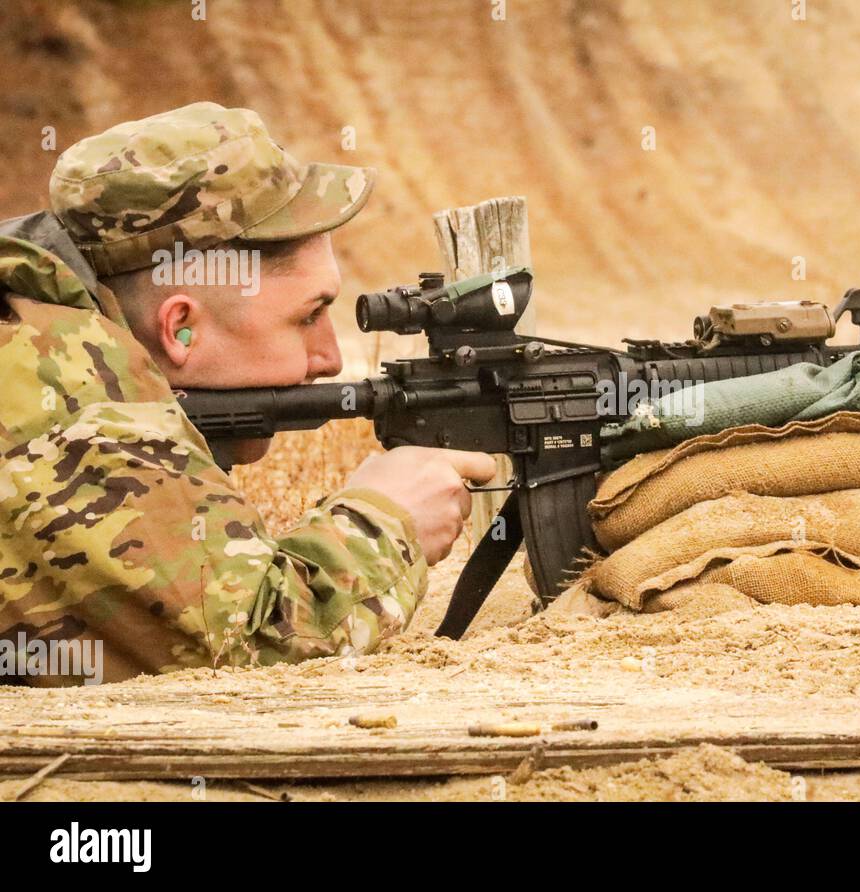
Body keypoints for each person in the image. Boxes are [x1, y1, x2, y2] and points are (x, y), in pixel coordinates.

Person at [0, 101, 496, 686]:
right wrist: (385, 520)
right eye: (309, 315)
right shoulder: (61, 375)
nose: (329, 359)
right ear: (180, 328)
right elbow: (247, 646)